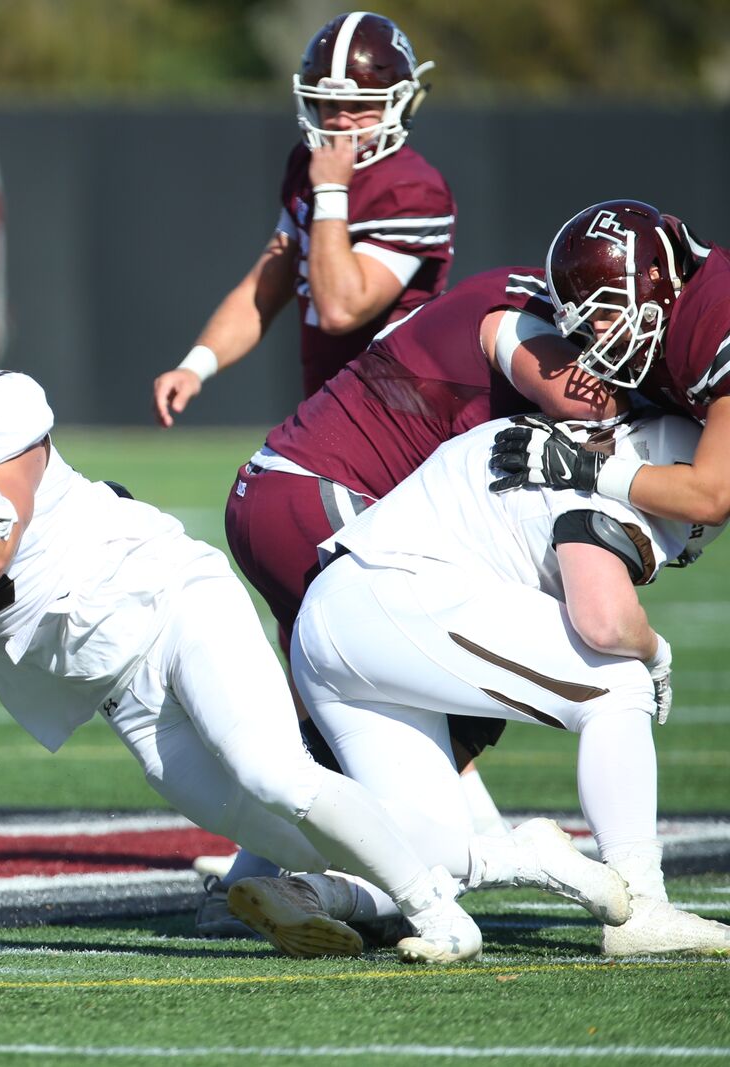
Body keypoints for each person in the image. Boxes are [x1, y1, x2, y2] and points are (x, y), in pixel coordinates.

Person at [0, 359, 633, 964]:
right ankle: (510, 853)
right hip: (106, 682)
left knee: (276, 771)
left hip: (169, 602)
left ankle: (441, 914)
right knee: (270, 827)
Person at [203, 262, 623, 935]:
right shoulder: (518, 316)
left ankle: (264, 883)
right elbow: (587, 402)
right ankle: (506, 854)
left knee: (349, 718)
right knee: (439, 691)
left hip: (285, 493)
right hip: (318, 493)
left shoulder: (510, 301)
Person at [291, 412, 730, 955]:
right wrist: (657, 653)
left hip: (329, 623)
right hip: (395, 604)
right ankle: (643, 905)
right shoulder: (599, 488)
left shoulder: (544, 434)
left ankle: (319, 894)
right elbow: (606, 623)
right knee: (620, 683)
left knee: (431, 849)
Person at [151, 11, 453, 424]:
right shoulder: (308, 163)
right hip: (332, 406)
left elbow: (340, 310)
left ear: (397, 103)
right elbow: (265, 286)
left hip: (399, 415)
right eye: (331, 104)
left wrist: (331, 192)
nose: (342, 120)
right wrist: (195, 367)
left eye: (360, 107)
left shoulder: (412, 188)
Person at [488, 199, 730, 532]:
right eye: (590, 322)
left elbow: (711, 497)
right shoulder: (668, 317)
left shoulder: (714, 323)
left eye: (607, 309)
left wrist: (584, 467)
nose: (600, 334)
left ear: (654, 274)